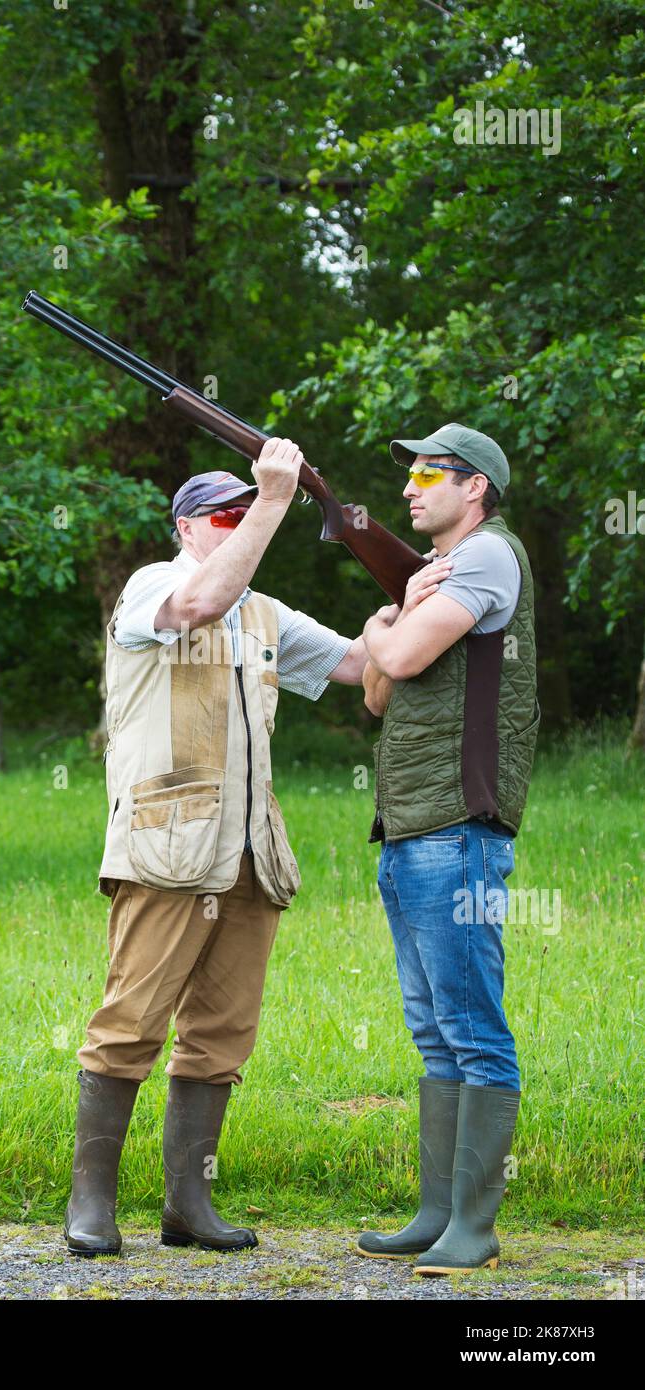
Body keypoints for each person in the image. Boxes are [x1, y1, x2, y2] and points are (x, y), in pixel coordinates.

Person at [67, 439, 370, 1256]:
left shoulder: (265, 612)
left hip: (249, 854)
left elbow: (361, 664)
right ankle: (90, 1206)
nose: (243, 519)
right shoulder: (155, 586)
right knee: (130, 1023)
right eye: (228, 513)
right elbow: (199, 604)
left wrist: (421, 596)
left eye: (251, 507)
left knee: (221, 1034)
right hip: (167, 848)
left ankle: (186, 1209)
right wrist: (276, 500)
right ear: (187, 527)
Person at [356, 422, 540, 1275]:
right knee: (435, 1033)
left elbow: (391, 652)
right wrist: (395, 610)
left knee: (474, 1030)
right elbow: (377, 694)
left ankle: (476, 1224)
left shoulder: (489, 558)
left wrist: (394, 617)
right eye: (411, 473)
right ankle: (436, 1214)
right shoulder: (438, 577)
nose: (408, 488)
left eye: (430, 472)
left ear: (477, 488)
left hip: (461, 828)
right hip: (411, 829)